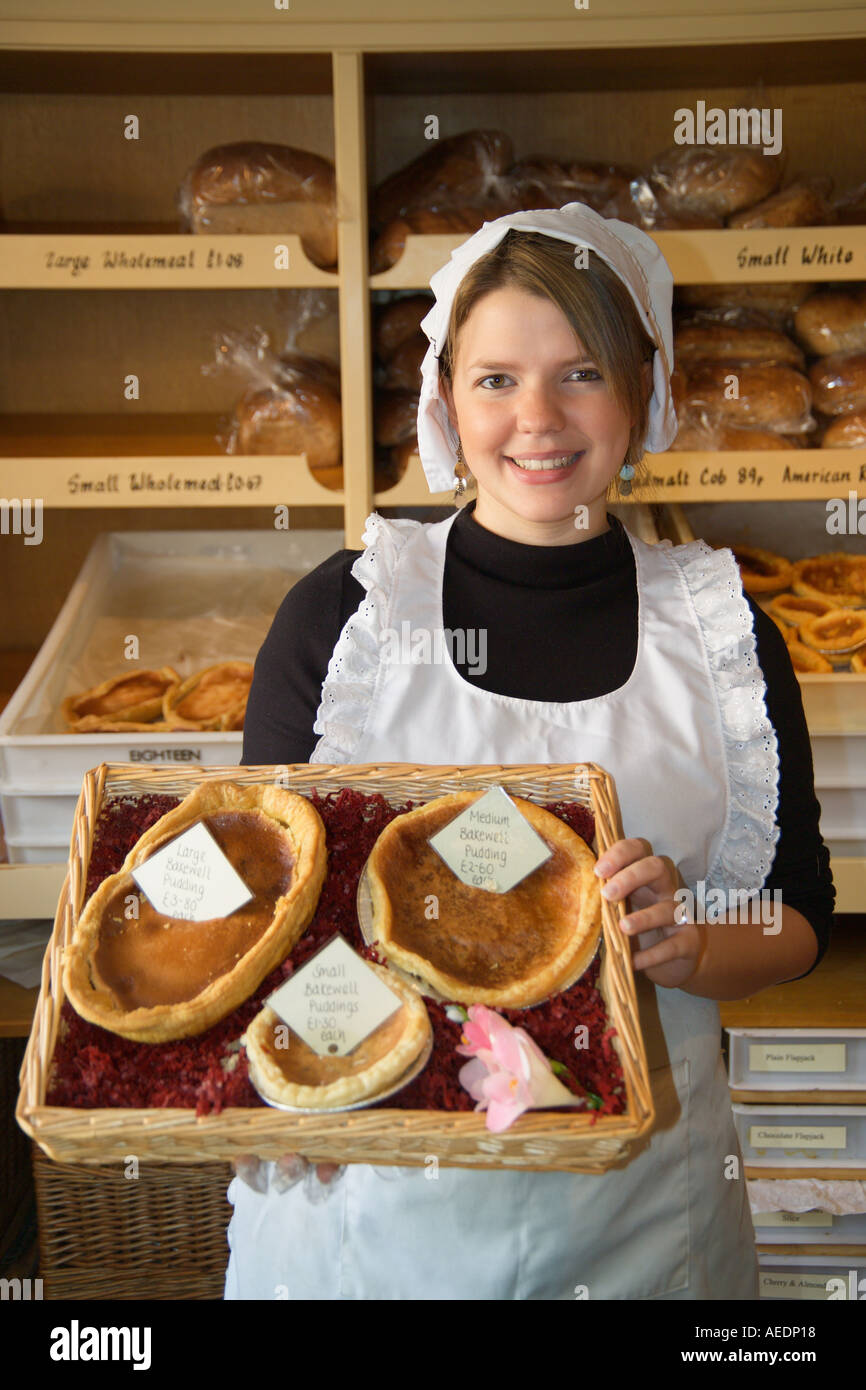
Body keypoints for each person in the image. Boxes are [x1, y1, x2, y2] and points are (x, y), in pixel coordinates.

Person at [224, 203, 834, 1300]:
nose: (537, 417)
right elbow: (256, 906)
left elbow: (797, 917)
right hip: (374, 1209)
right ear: (445, 399)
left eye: (579, 372)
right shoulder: (344, 616)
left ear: (641, 390)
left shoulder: (721, 629)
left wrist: (690, 937)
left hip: (643, 1216)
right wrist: (273, 1079)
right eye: (495, 378)